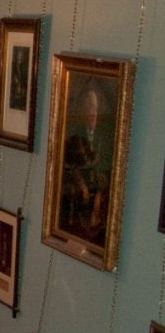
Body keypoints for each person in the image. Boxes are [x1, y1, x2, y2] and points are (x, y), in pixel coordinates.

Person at [59, 81, 109, 245]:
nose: (92, 112)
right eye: (88, 108)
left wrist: (101, 185)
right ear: (82, 111)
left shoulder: (103, 135)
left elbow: (105, 165)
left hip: (98, 183)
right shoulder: (75, 135)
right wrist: (82, 185)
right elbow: (69, 166)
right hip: (79, 182)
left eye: (94, 108)